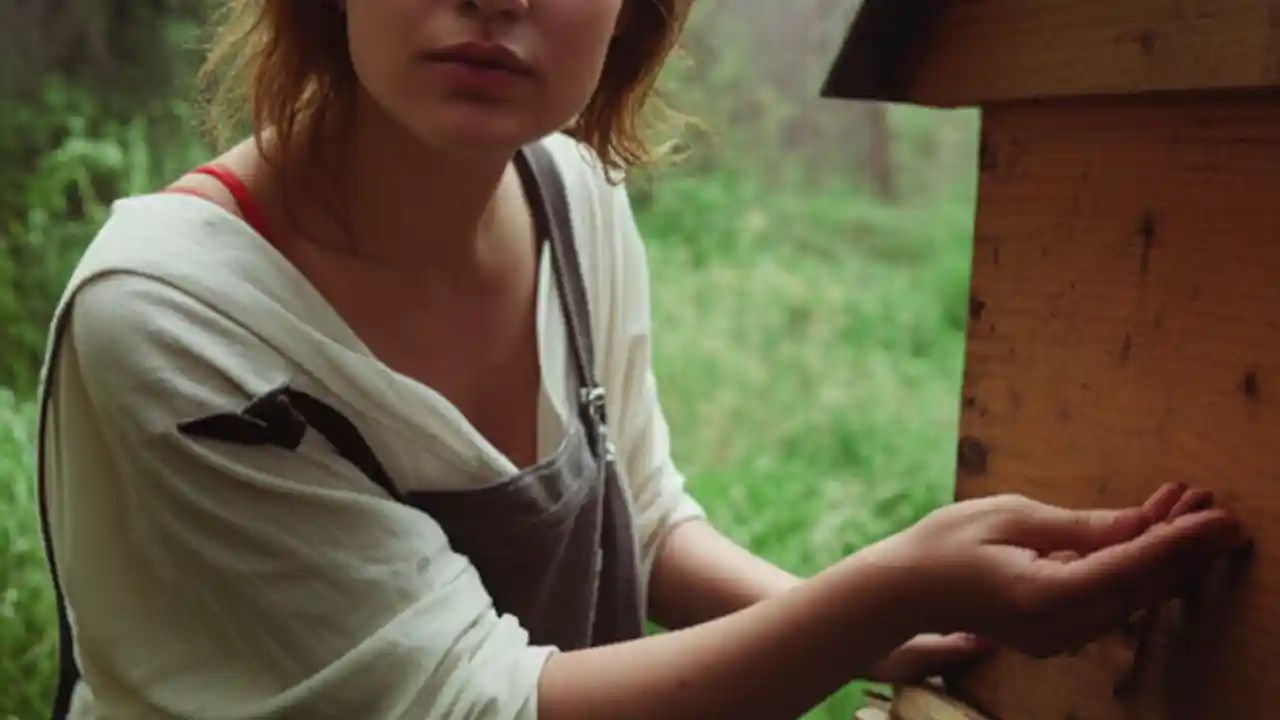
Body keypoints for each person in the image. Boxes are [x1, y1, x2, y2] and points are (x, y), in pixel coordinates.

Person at [36, 0, 1246, 718]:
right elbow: (475, 704)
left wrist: (873, 628)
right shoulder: (177, 315)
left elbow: (644, 519)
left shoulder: (568, 195)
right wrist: (888, 592)